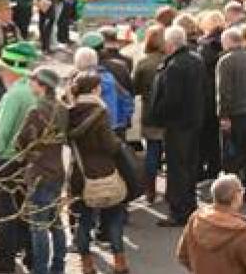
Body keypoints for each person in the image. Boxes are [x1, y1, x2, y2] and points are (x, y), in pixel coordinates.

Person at [67, 71, 128, 274]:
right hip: (104, 170)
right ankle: (119, 261)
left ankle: (86, 263)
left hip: (80, 172)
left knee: (83, 219)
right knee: (114, 215)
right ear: (94, 89)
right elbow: (110, 145)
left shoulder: (70, 112)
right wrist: (119, 144)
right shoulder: (100, 112)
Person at [0, 41, 41, 272]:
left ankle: (6, 263)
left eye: (1, 68)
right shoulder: (32, 89)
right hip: (28, 159)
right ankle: (31, 255)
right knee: (23, 211)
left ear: (10, 70)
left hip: (8, 160)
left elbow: (1, 134)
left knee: (5, 215)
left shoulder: (14, 95)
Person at [150, 25, 206, 228]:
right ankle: (189, 207)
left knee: (177, 169)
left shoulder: (174, 66)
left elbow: (171, 99)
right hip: (194, 122)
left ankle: (179, 211)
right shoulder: (196, 60)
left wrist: (158, 114)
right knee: (189, 166)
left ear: (170, 43)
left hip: (178, 124)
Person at [17, 68, 69, 274]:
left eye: (33, 80)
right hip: (57, 170)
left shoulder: (36, 110)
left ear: (42, 85)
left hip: (39, 172)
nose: (30, 84)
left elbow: (21, 141)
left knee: (38, 227)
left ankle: (40, 270)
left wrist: (24, 152)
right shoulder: (62, 108)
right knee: (55, 222)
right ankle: (58, 266)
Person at [176, 174, 246, 274]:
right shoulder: (242, 233)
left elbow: (182, 255)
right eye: (242, 190)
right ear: (237, 196)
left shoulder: (196, 218)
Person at [216, 27, 246, 199]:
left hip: (234, 114)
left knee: (232, 157)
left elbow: (224, 92)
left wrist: (224, 115)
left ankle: (230, 193)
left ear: (227, 41)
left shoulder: (225, 61)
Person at [132, 25, 166, 202]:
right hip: (170, 114)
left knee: (152, 151)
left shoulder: (144, 63)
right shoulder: (169, 60)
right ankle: (172, 189)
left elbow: (135, 88)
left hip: (150, 112)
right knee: (173, 153)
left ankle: (150, 191)